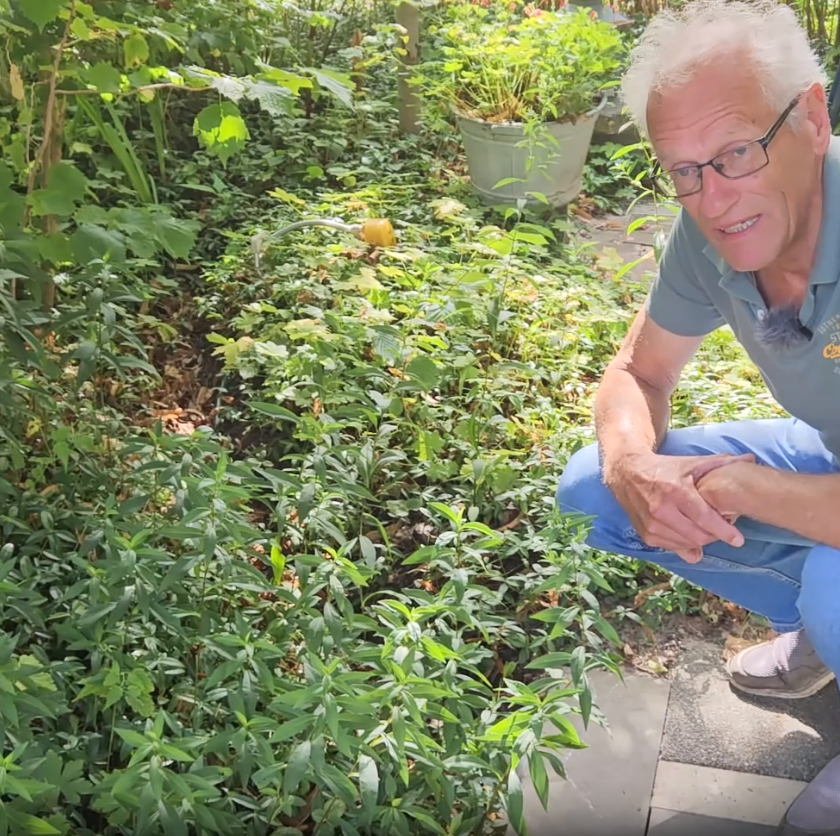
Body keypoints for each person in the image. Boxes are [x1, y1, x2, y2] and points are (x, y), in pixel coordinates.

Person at [556, 0, 840, 833]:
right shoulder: (709, 228)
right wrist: (633, 467)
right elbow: (636, 372)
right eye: (682, 170)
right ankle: (821, 633)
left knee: (834, 594)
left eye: (736, 153)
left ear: (814, 119)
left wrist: (744, 485)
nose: (712, 199)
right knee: (592, 492)